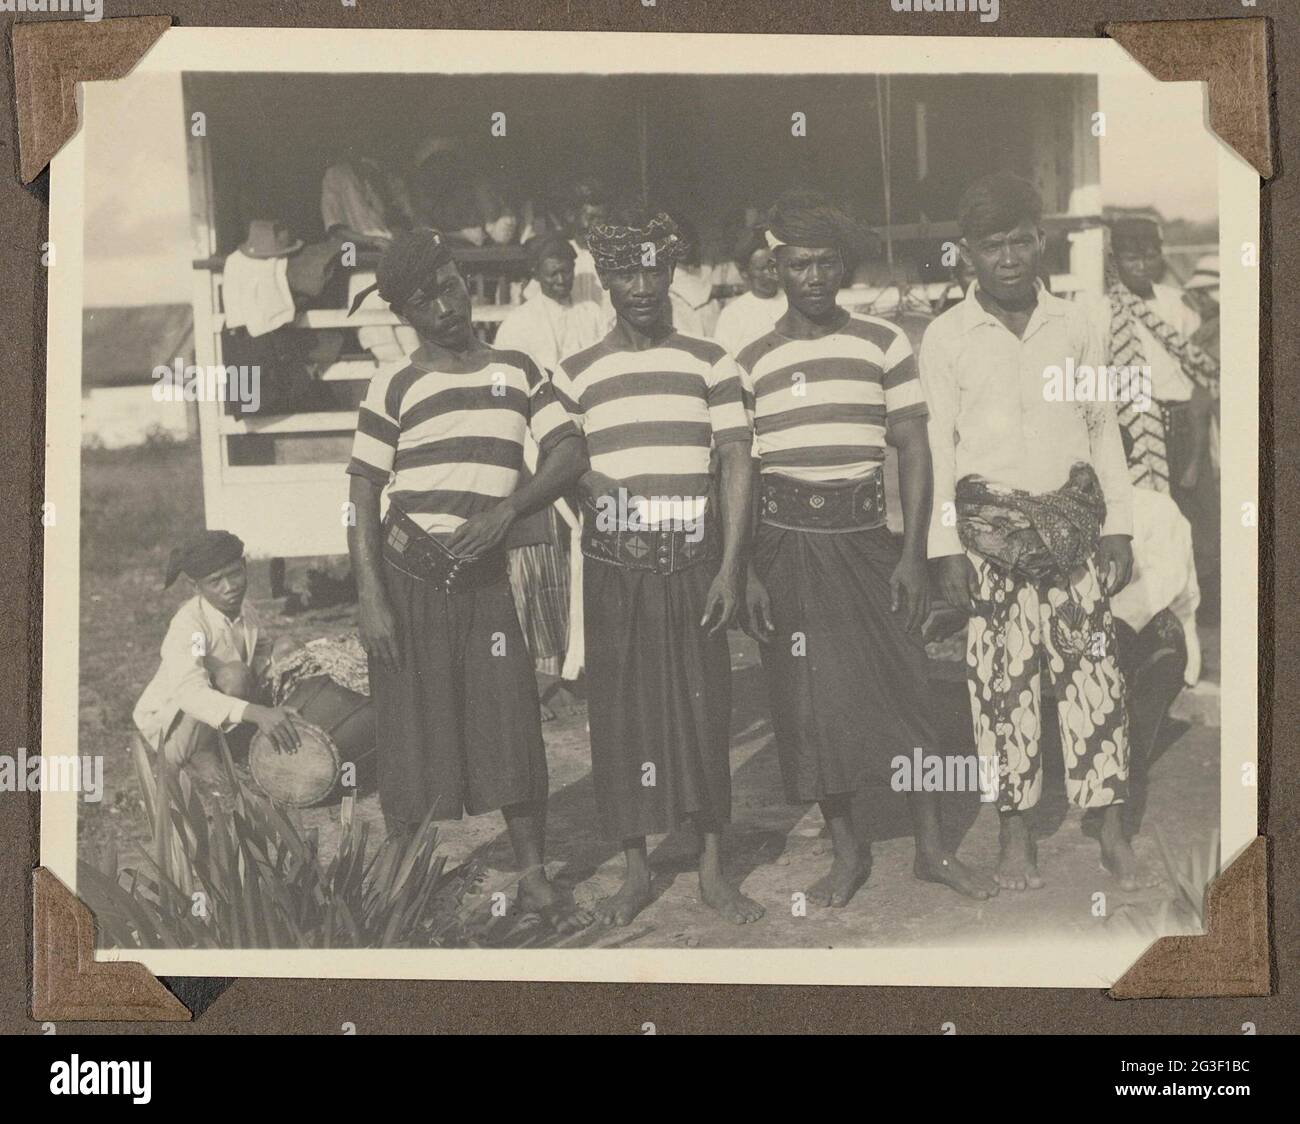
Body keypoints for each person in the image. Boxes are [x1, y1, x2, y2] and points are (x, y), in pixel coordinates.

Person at [738, 191, 997, 907]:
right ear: (775, 266)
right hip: (785, 545)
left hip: (865, 543)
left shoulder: (882, 341)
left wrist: (912, 554)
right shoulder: (749, 361)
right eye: (798, 264)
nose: (814, 277)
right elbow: (742, 471)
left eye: (826, 263)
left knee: (907, 688)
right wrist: (750, 571)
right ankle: (848, 854)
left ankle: (932, 850)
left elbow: (914, 447)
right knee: (807, 706)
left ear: (842, 266)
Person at [345, 227, 591, 932]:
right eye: (426, 301)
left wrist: (510, 508)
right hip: (406, 575)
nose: (447, 307)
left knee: (510, 721)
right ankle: (404, 887)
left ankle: (537, 879)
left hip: (484, 579)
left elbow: (570, 451)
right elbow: (362, 492)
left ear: (465, 283)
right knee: (411, 731)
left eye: (451, 287)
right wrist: (369, 597)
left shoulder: (517, 368)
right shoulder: (396, 381)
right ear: (406, 315)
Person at [919, 173, 1158, 893]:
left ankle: (1109, 826)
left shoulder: (1077, 324)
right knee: (1002, 686)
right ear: (966, 253)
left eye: (1020, 240)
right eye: (991, 245)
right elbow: (939, 448)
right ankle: (1013, 833)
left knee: (1093, 678)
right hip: (989, 541)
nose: (1009, 257)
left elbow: (1103, 428)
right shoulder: (948, 335)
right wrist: (944, 546)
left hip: (1073, 533)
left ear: (1040, 240)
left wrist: (1118, 527)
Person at [550, 205, 764, 928]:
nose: (643, 284)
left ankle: (711, 869)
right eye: (625, 270)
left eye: (655, 267)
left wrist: (732, 567)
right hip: (616, 569)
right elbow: (562, 465)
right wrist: (601, 498)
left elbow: (736, 460)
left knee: (705, 712)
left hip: (694, 561)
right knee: (622, 717)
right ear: (605, 279)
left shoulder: (712, 360)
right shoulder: (576, 371)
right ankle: (636, 871)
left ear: (673, 272)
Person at [494, 233, 605, 716]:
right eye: (550, 271)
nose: (560, 278)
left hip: (594, 430)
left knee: (591, 541)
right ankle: (549, 669)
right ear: (535, 275)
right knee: (549, 552)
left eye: (566, 269)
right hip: (543, 437)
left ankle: (584, 662)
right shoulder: (517, 324)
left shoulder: (593, 311)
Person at [1104, 218, 1219, 617]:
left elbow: (1202, 373)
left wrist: (1199, 445)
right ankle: (1154, 613)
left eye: (1150, 254)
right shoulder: (1097, 310)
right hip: (1133, 430)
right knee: (1150, 524)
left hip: (1186, 425)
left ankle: (1201, 612)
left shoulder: (1177, 305)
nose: (1142, 263)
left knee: (1199, 522)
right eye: (1131, 256)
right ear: (1114, 258)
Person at [133, 530, 300, 769]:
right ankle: (202, 756)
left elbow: (261, 649)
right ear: (195, 586)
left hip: (225, 714)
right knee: (235, 675)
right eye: (215, 581)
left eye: (235, 575)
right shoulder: (189, 624)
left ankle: (280, 732)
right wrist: (258, 712)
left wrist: (282, 658)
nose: (229, 587)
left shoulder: (244, 609)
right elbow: (190, 693)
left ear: (244, 566)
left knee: (287, 648)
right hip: (178, 732)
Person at [712, 227, 787, 356]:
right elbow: (724, 360)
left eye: (772, 266)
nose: (769, 274)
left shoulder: (792, 301)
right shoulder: (734, 314)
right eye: (761, 268)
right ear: (744, 273)